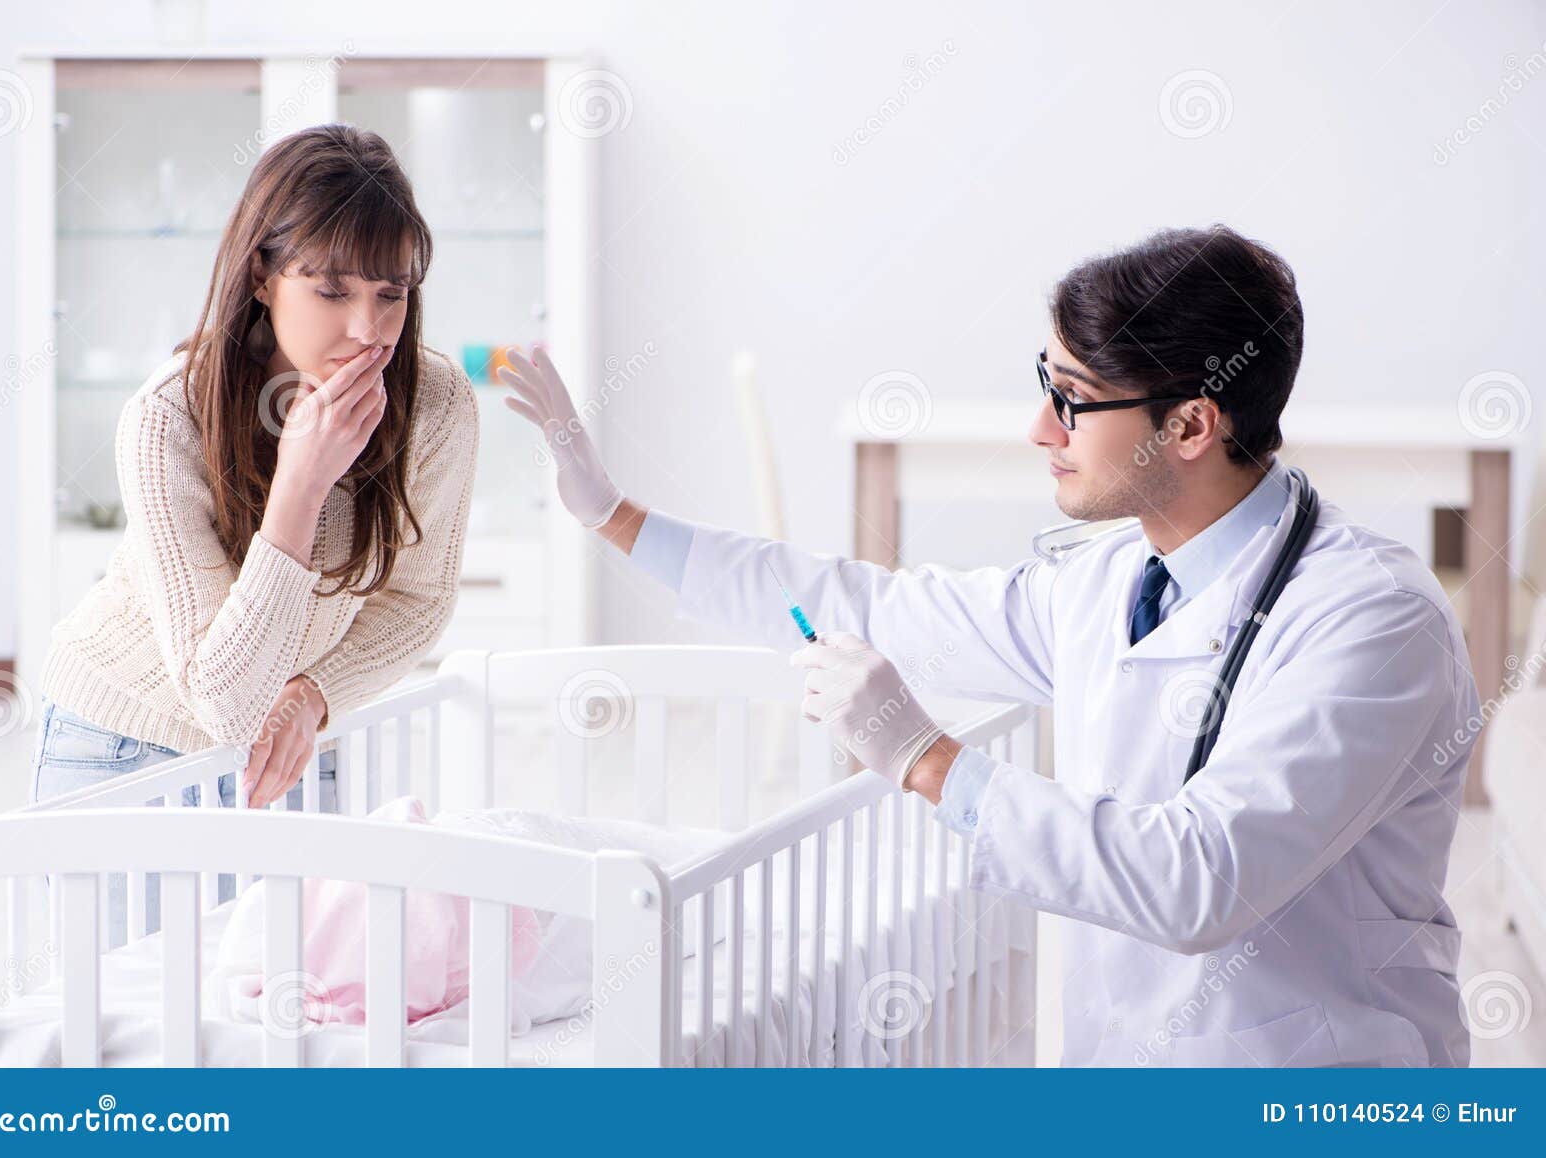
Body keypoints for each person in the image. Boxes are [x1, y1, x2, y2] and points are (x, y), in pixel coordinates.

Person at [499, 225, 1479, 1067]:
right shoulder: (1104, 581)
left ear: (1190, 423)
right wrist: (615, 516)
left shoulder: (1368, 620)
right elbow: (866, 604)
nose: (1038, 430)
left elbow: (1200, 880)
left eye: (1074, 400)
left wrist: (928, 762)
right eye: (1042, 388)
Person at [31, 124, 479, 946]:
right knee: (138, 1044)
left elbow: (419, 602)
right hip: (127, 747)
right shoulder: (167, 417)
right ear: (265, 277)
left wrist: (313, 697)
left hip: (291, 741)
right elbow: (226, 701)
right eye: (333, 291)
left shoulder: (437, 404)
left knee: (283, 1028)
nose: (370, 329)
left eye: (392, 293)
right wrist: (302, 482)